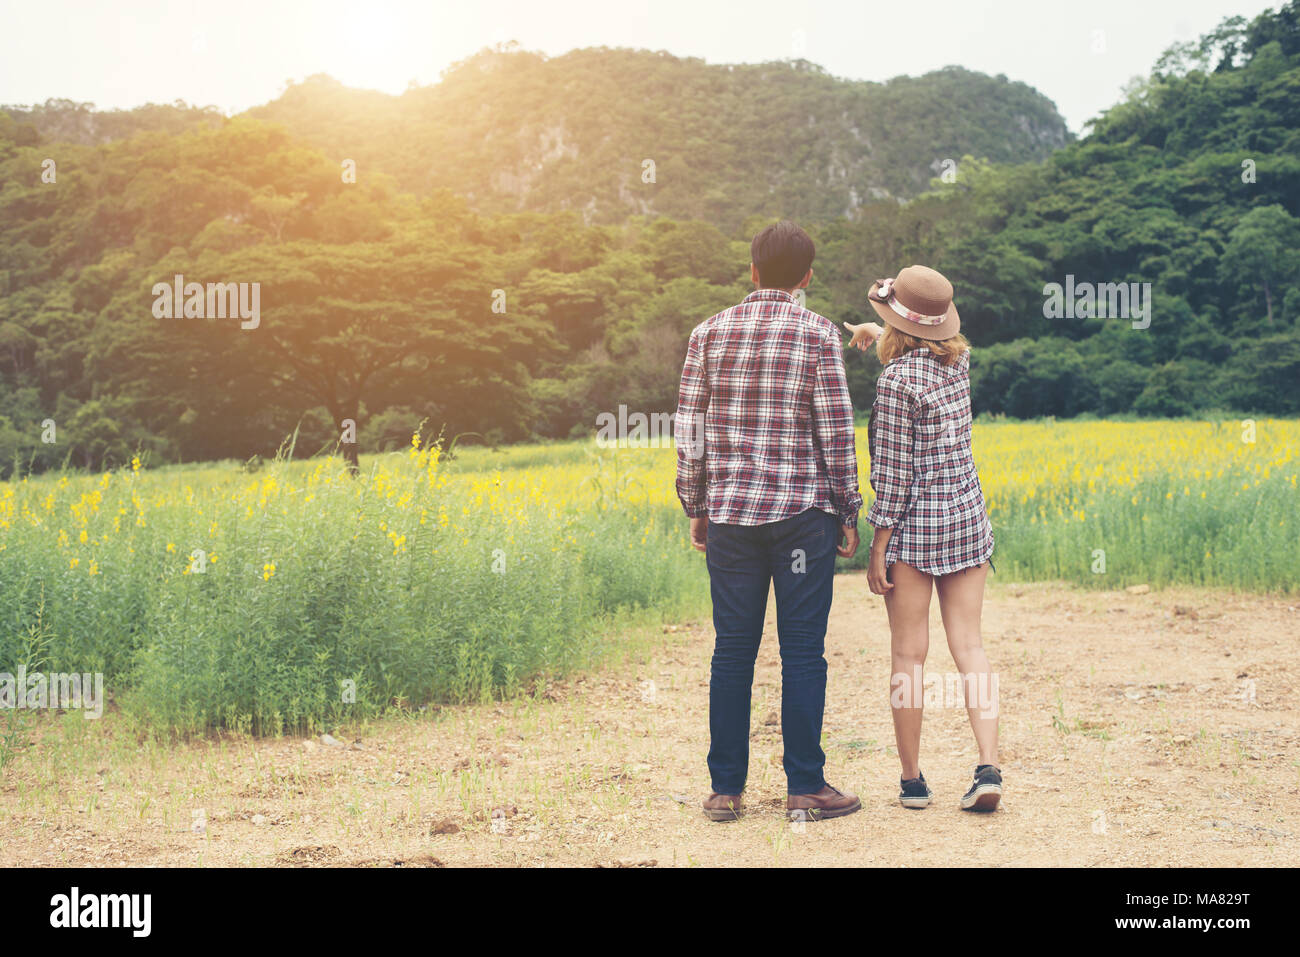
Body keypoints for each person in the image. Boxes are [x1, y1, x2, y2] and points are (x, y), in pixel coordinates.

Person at [675, 221, 863, 823]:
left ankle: (725, 790)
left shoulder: (707, 334)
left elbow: (690, 432)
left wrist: (696, 505)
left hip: (731, 515)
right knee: (803, 651)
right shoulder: (816, 334)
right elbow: (835, 429)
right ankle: (805, 786)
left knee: (732, 650)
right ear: (807, 278)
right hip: (802, 517)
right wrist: (847, 510)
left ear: (751, 271)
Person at [844, 265, 1002, 812]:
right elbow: (924, 342)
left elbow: (892, 475)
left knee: (909, 655)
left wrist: (878, 545)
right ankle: (988, 766)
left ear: (895, 324)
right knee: (970, 646)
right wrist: (877, 328)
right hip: (965, 520)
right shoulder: (960, 365)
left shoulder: (895, 384)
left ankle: (912, 781)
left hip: (913, 533)